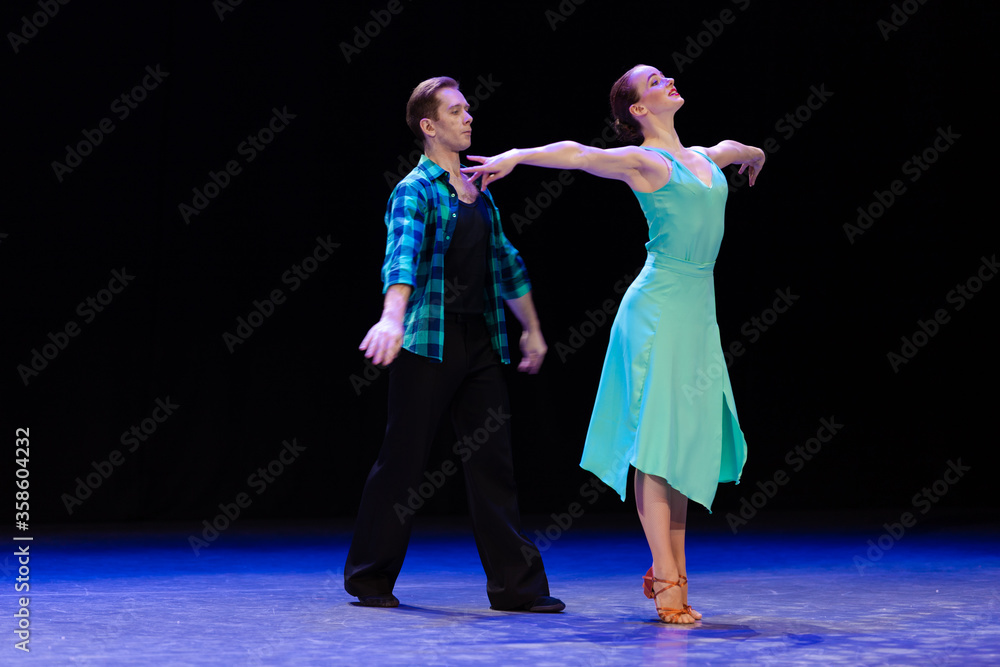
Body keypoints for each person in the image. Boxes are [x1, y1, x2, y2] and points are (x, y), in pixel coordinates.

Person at [463, 64, 764, 624]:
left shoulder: (703, 156)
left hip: (697, 312)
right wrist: (517, 156)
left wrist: (754, 155)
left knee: (679, 448)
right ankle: (669, 583)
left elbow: (734, 148)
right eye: (653, 81)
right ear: (639, 110)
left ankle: (668, 573)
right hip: (657, 310)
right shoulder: (646, 161)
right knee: (655, 444)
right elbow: (578, 153)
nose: (667, 79)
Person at [343, 76, 564, 614]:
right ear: (429, 126)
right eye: (457, 111)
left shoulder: (479, 190)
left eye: (468, 110)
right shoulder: (413, 191)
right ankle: (370, 578)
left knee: (494, 462)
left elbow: (508, 263)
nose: (469, 118)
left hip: (480, 340)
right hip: (427, 341)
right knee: (403, 460)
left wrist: (531, 328)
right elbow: (401, 255)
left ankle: (517, 588)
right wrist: (391, 318)